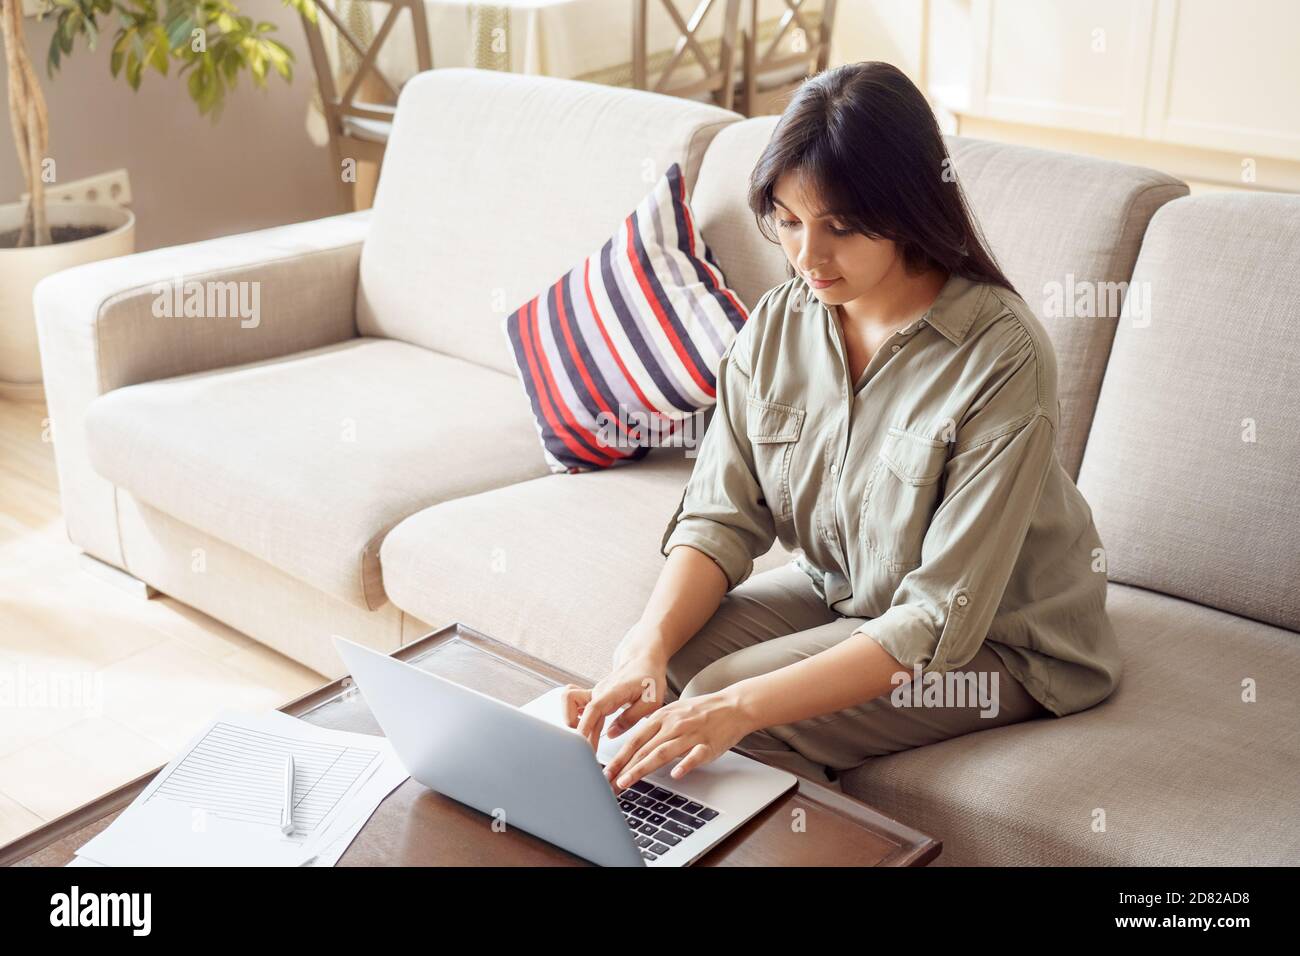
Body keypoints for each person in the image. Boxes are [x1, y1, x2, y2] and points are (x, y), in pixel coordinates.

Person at [562, 61, 1123, 794]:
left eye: (842, 227)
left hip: (1001, 642)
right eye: (789, 222)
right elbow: (720, 518)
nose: (806, 257)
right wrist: (644, 646)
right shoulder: (780, 324)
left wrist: (734, 708)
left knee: (719, 705)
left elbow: (934, 613)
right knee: (658, 676)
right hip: (849, 590)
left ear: (911, 209)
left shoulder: (1001, 355)